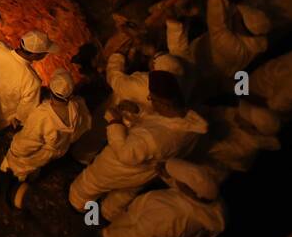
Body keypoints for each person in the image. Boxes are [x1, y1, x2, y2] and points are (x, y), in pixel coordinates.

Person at [68, 71, 208, 216]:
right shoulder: (189, 125)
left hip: (121, 167)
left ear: (165, 103)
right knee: (123, 194)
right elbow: (160, 122)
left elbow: (126, 154)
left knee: (92, 182)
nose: (151, 102)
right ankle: (108, 213)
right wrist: (139, 112)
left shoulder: (155, 138)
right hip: (147, 172)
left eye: (152, 99)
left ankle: (78, 204)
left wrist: (114, 122)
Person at [0, 69, 91, 207]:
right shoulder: (77, 107)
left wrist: (15, 150)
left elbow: (27, 142)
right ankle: (32, 175)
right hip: (58, 150)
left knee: (20, 166)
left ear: (50, 89)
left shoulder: (43, 115)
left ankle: (13, 183)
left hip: (35, 153)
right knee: (38, 164)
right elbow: (84, 126)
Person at [93, 160, 226, 237]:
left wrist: (108, 236)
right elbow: (187, 191)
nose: (176, 181)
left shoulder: (168, 215)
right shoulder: (209, 203)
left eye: (180, 181)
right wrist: (168, 175)